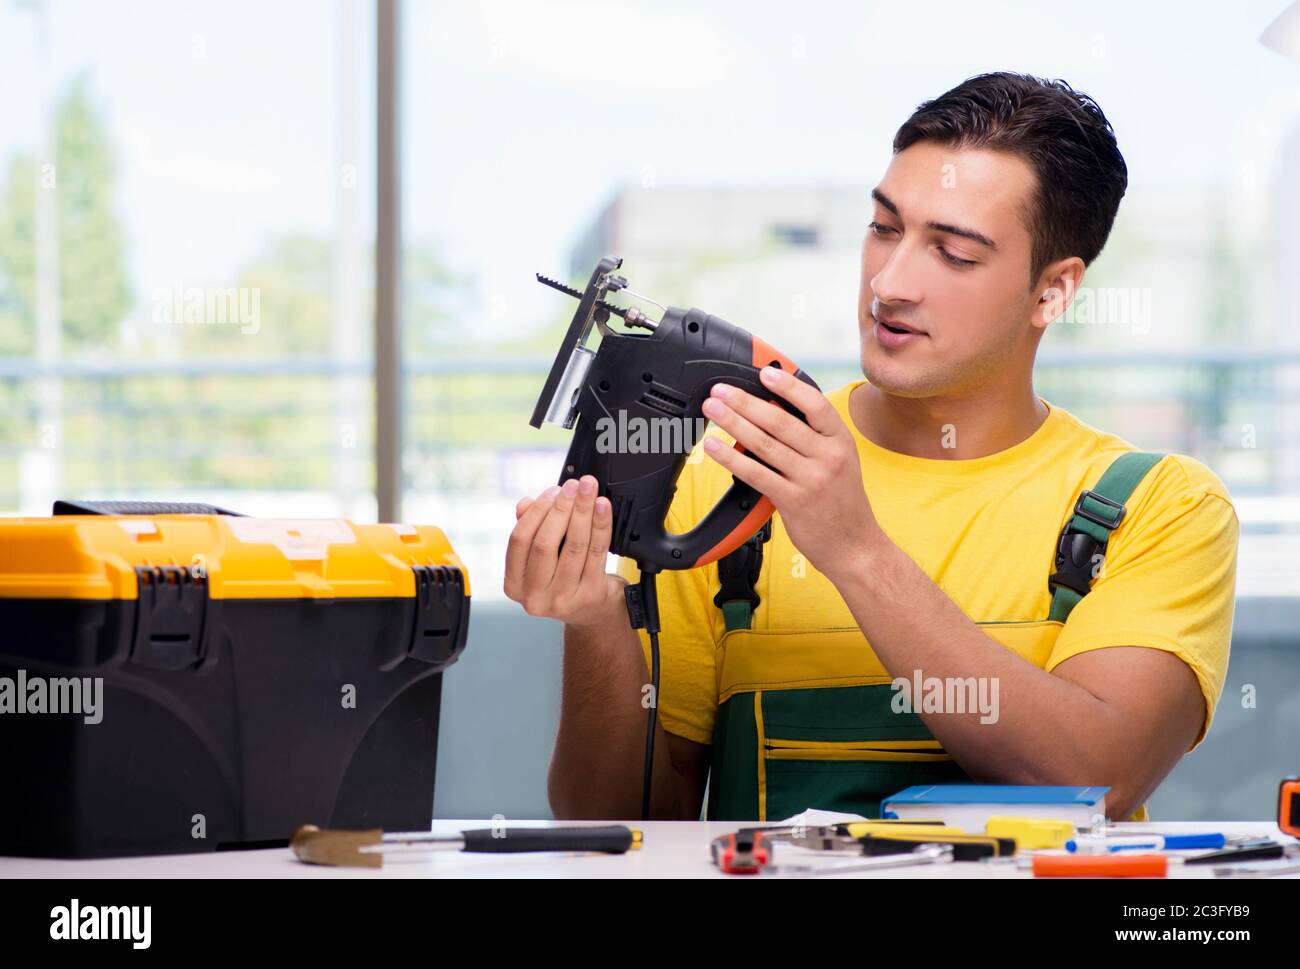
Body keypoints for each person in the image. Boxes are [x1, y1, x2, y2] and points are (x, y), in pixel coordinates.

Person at [504, 71, 1239, 823]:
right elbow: (624, 821)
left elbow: (1101, 778)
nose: (889, 283)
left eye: (953, 253)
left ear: (1053, 291)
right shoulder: (727, 477)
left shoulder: (1159, 506)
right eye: (885, 227)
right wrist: (595, 621)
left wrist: (855, 550)